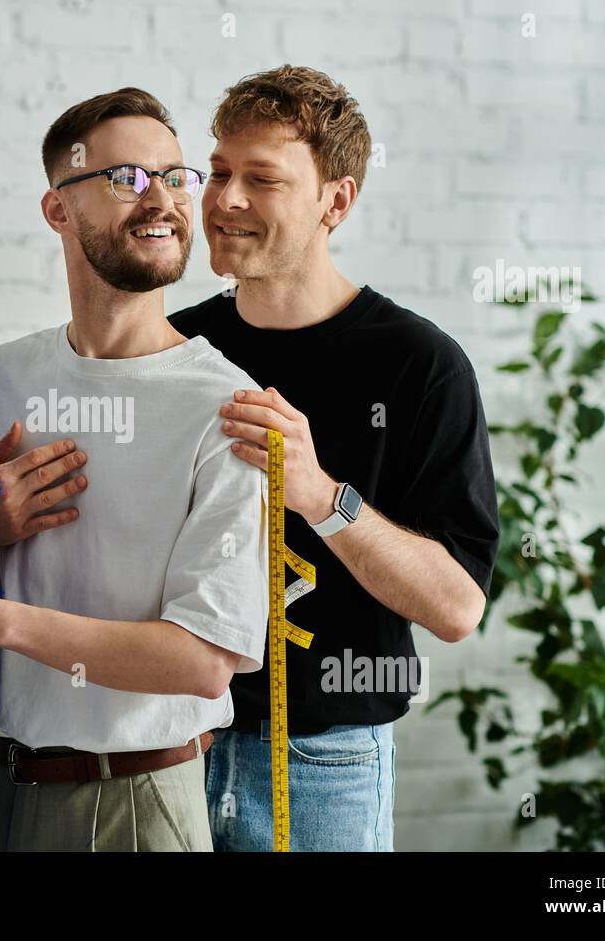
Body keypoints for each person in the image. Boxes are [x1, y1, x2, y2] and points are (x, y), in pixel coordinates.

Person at [0, 87, 267, 851]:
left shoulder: (226, 406)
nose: (161, 199)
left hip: (134, 801)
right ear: (58, 210)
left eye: (174, 175)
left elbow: (204, 660)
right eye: (127, 177)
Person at [169, 65, 500, 852]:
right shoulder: (176, 346)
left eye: (262, 179)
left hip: (326, 765)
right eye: (217, 172)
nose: (225, 200)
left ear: (336, 201)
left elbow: (456, 608)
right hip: (173, 747)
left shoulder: (422, 366)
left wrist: (323, 496)